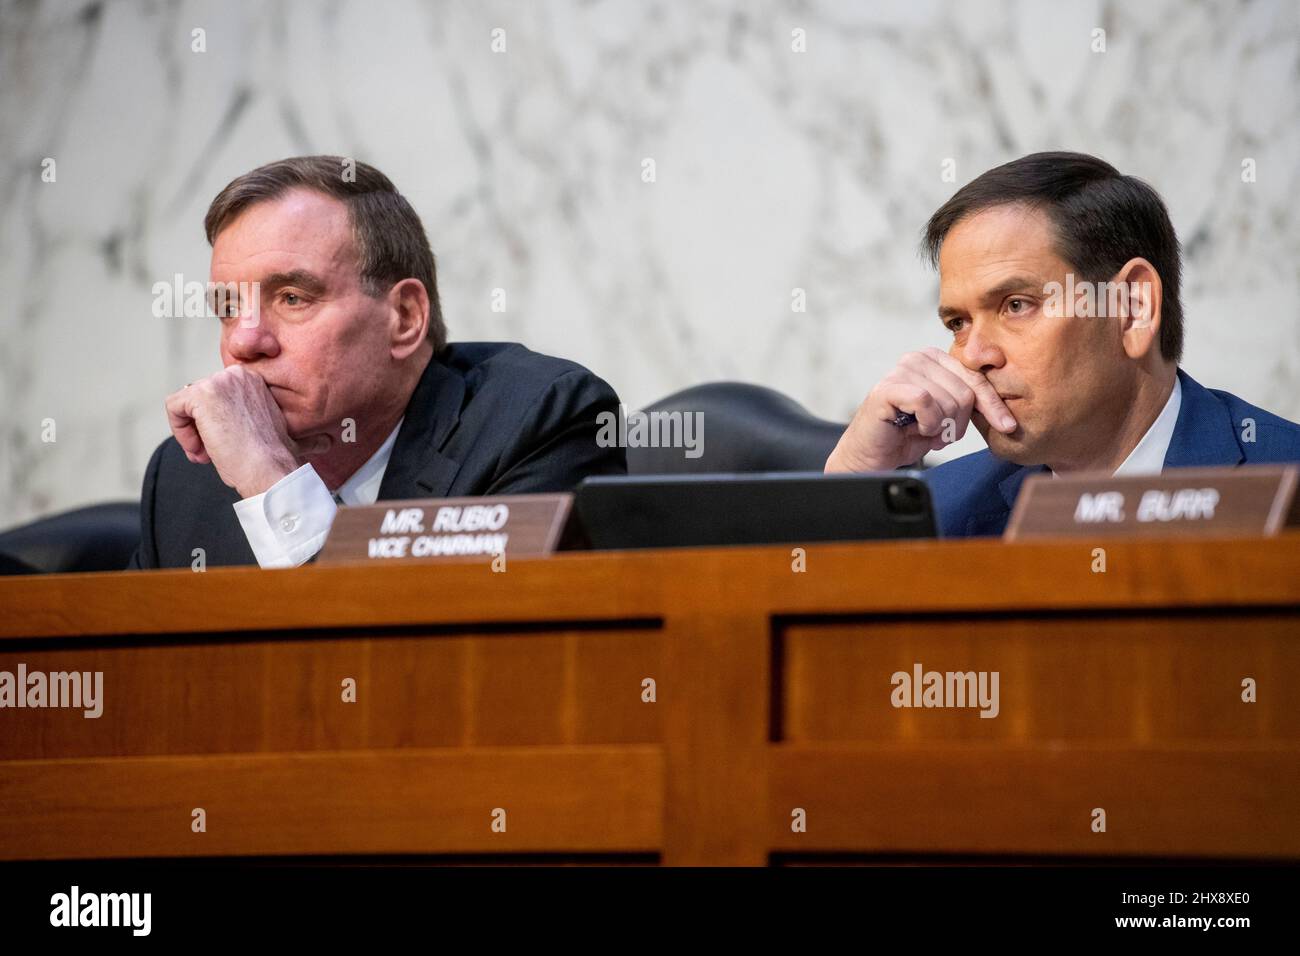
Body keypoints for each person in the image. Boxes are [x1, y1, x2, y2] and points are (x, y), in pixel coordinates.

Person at [130, 156, 624, 569]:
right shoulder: (184, 482)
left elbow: (435, 669)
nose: (244, 340)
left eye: (293, 297)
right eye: (229, 308)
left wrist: (273, 484)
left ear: (404, 317)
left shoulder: (535, 423)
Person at [826, 151, 1300, 536]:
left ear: (1131, 308)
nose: (972, 355)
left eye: (1015, 305)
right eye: (958, 322)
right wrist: (852, 483)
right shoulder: (942, 510)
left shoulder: (1285, 479)